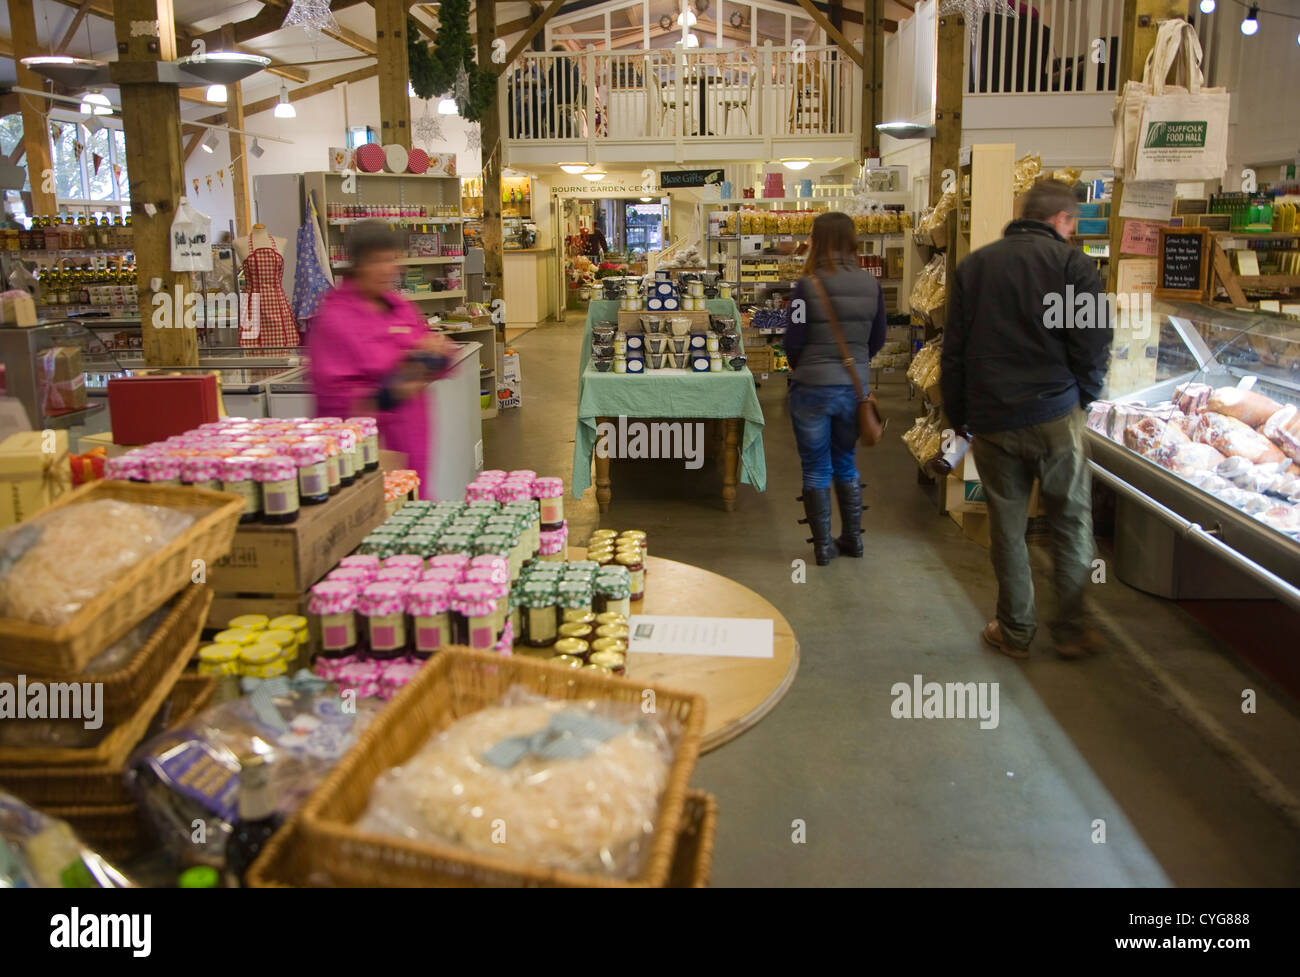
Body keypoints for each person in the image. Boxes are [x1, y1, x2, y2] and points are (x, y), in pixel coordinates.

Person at [941, 179, 1112, 661]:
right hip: (1057, 413)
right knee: (1072, 523)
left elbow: (953, 354)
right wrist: (1083, 397)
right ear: (1062, 220)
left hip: (994, 419)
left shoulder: (974, 267)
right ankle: (1072, 630)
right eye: (1072, 224)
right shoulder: (1075, 266)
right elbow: (1094, 343)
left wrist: (960, 419)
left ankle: (1015, 631)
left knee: (1007, 529)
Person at [308, 220, 455, 485]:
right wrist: (394, 388)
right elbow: (336, 404)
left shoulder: (400, 307)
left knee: (415, 509)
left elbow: (432, 358)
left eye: (391, 260)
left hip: (413, 441)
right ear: (357, 266)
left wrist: (438, 352)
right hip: (369, 455)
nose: (387, 270)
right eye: (377, 261)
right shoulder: (334, 318)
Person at [784, 211, 887, 565]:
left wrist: (802, 365)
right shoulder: (871, 284)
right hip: (852, 390)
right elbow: (878, 338)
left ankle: (823, 547)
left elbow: (793, 339)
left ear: (818, 240)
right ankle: (853, 540)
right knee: (845, 459)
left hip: (810, 387)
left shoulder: (806, 285)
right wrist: (856, 362)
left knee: (815, 465)